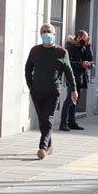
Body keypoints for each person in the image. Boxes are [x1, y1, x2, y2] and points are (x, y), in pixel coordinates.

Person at [25, 24, 77, 160]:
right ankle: (49, 146)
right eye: (43, 32)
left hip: (53, 91)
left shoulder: (61, 52)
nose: (46, 33)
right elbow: (28, 69)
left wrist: (74, 90)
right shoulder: (35, 50)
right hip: (37, 91)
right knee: (43, 120)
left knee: (48, 119)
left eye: (49, 31)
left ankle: (42, 147)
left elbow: (69, 72)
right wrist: (30, 86)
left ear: (54, 35)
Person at [59, 30, 93, 131]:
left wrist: (88, 46)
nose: (86, 40)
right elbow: (67, 63)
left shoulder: (82, 46)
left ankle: (72, 121)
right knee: (70, 99)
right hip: (72, 77)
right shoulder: (70, 46)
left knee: (75, 100)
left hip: (81, 77)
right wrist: (80, 64)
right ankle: (63, 122)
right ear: (78, 37)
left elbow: (90, 58)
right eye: (84, 38)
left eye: (87, 39)